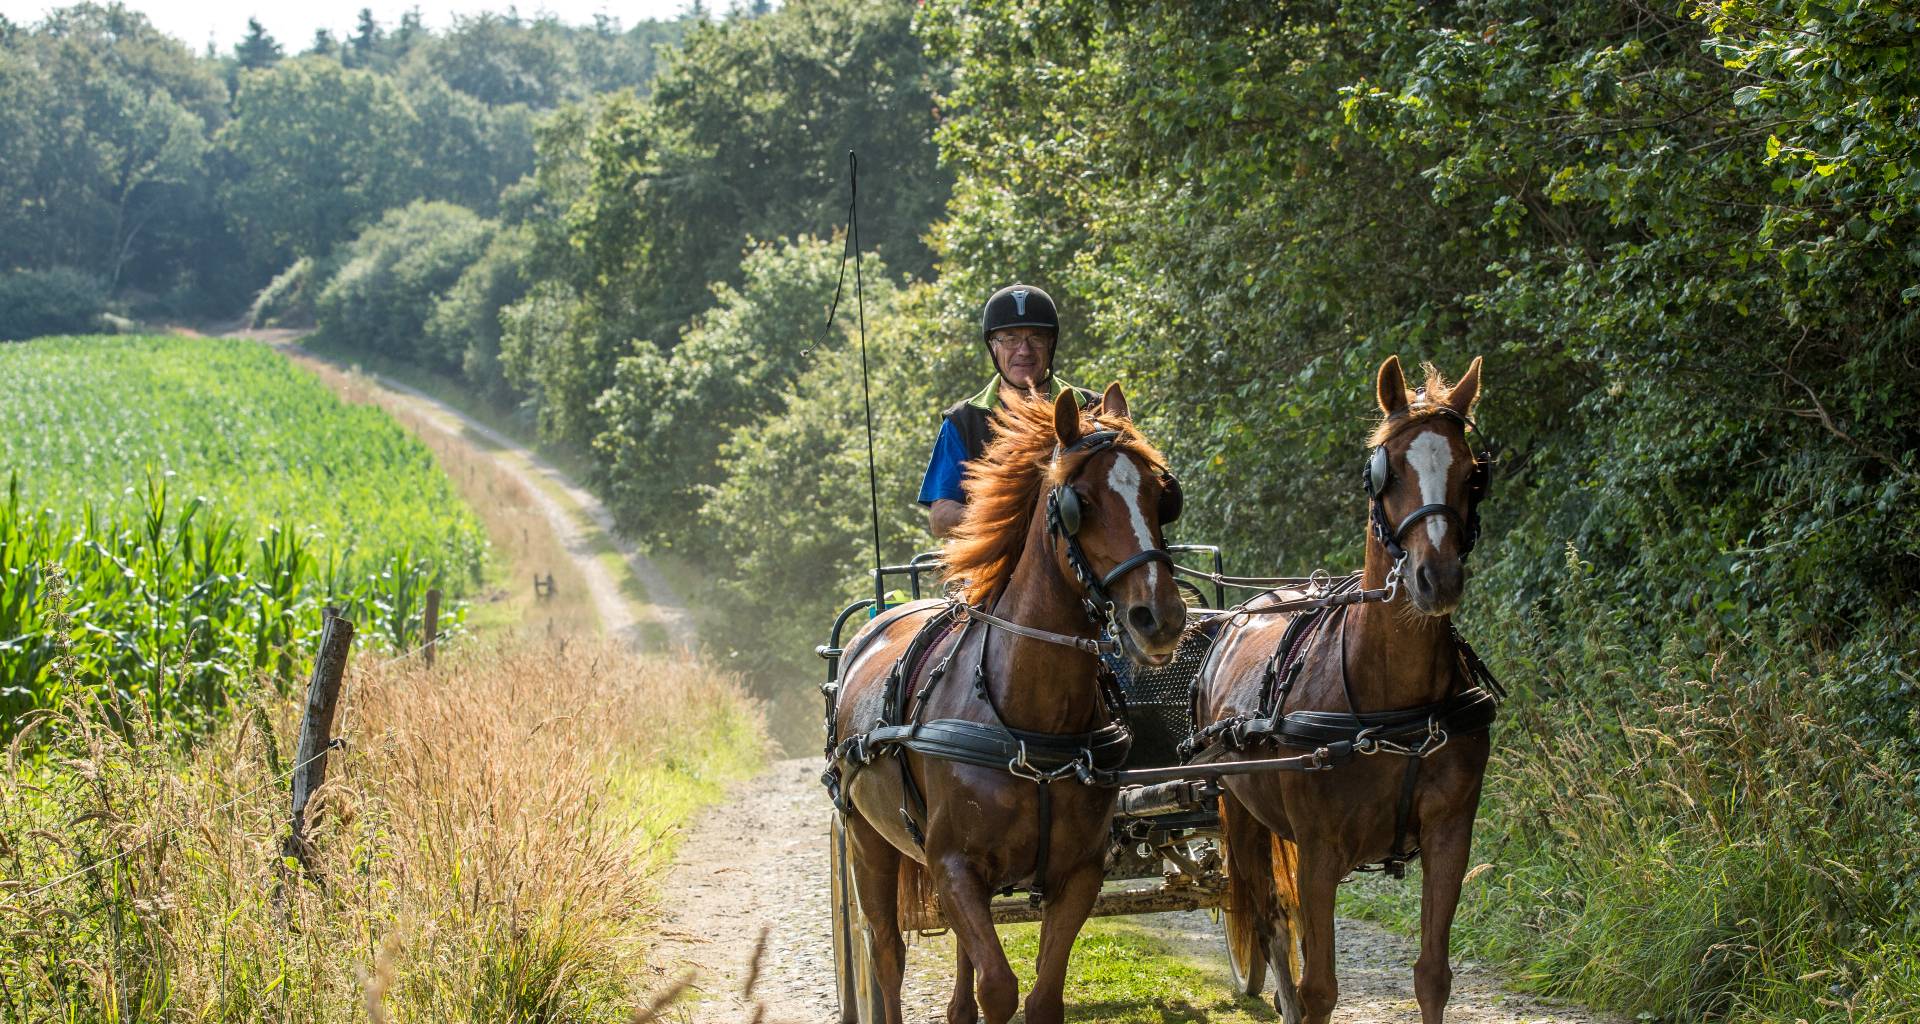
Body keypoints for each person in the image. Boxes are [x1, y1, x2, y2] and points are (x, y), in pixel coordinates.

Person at [919, 284, 1094, 537]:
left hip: (1087, 562)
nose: (1024, 350)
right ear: (993, 346)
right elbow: (941, 518)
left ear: (1051, 343)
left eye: (1036, 338)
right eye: (1010, 338)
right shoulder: (963, 421)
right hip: (994, 563)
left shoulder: (1092, 408)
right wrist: (1014, 514)